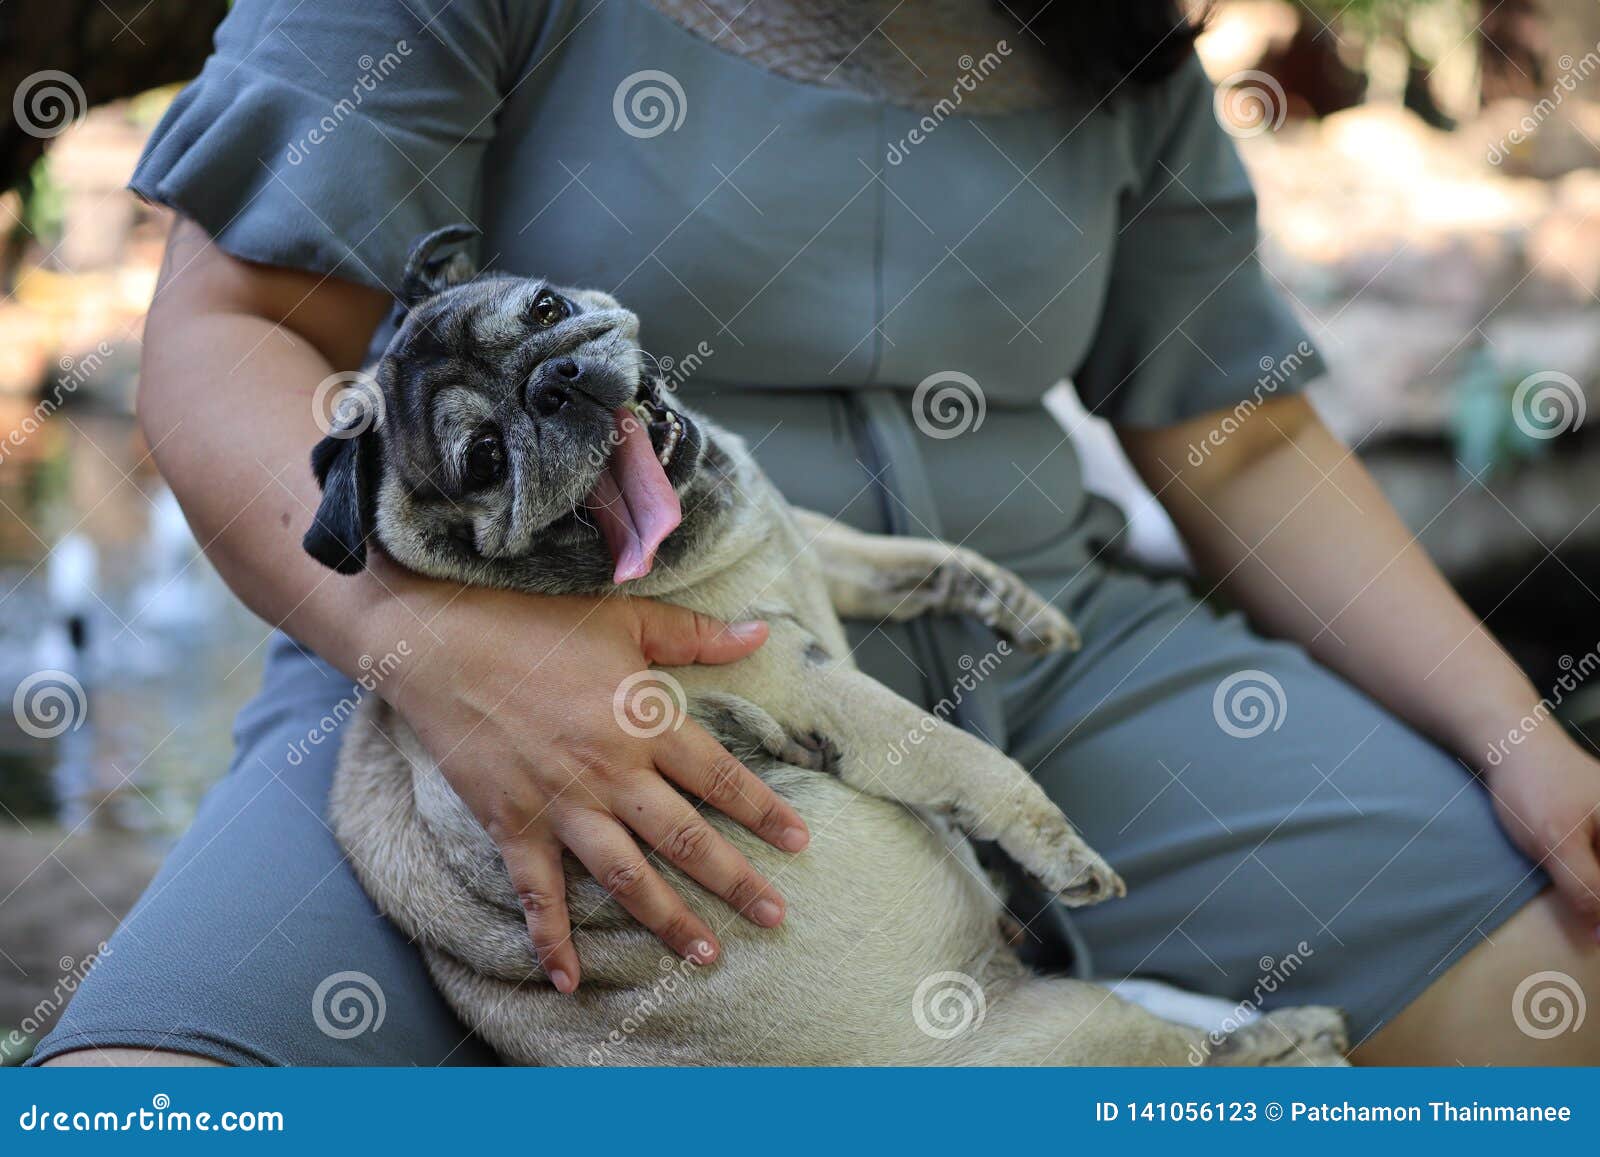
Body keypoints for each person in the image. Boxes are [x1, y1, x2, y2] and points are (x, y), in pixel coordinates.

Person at [36, 0, 1600, 1067]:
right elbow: (228, 337)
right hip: (517, 660)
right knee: (140, 1099)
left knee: (1560, 998)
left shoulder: (1113, 32)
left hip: (1041, 656)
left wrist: (1516, 728)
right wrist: (431, 643)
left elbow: (1234, 428)